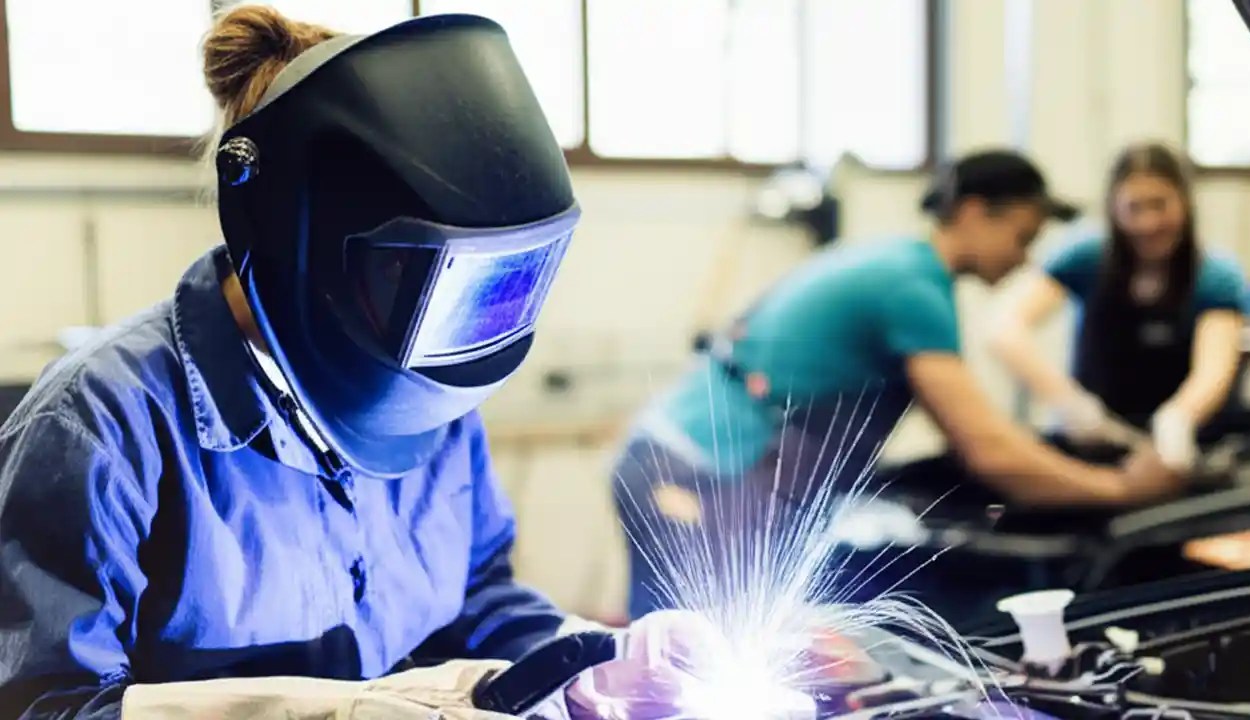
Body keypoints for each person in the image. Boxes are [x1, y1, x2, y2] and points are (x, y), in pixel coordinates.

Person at [0, 8, 741, 720]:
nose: (462, 330)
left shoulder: (434, 397)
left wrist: (587, 661)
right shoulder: (104, 423)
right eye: (425, 281)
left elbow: (476, 602)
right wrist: (317, 713)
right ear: (302, 239)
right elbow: (41, 704)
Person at [613, 149, 1189, 620]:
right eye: (1020, 237)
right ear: (970, 213)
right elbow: (990, 452)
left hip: (678, 466)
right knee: (693, 670)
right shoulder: (912, 287)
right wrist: (1121, 488)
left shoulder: (896, 264)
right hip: (699, 482)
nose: (1024, 258)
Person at [990, 143, 1247, 473]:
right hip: (1095, 445)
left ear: (1184, 201)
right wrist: (1068, 402)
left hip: (1190, 449)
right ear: (1113, 208)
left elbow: (1213, 370)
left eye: (1159, 205)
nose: (1148, 222)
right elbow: (1005, 329)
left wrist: (1179, 420)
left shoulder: (1215, 276)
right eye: (1134, 208)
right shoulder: (1086, 258)